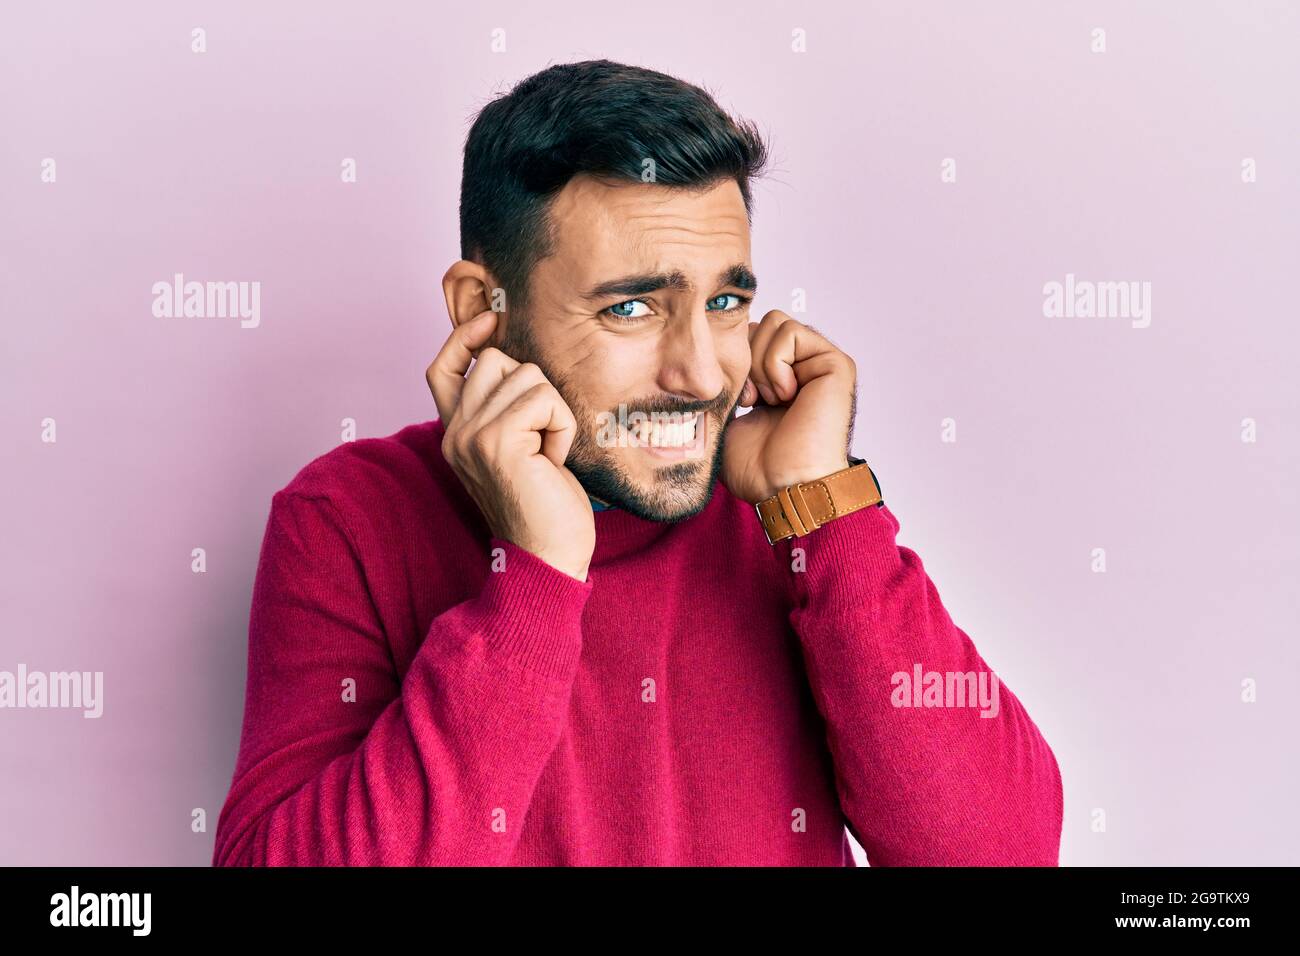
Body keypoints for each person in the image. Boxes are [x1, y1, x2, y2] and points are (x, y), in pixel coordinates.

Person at [212, 59, 1063, 866]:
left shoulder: (785, 511)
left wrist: (826, 513)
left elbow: (1001, 851)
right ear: (485, 308)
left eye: (726, 302)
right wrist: (536, 573)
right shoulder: (351, 516)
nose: (700, 374)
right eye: (630, 307)